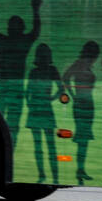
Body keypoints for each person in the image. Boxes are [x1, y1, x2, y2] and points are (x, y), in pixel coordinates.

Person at [0, 0, 41, 149]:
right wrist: (35, 9)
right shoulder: (23, 42)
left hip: (3, 86)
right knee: (12, 122)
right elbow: (36, 31)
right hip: (14, 87)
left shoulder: (3, 41)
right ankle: (8, 150)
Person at [25, 43, 66, 184]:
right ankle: (49, 176)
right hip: (41, 109)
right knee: (47, 145)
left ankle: (46, 175)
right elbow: (60, 88)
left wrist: (32, 102)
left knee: (44, 145)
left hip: (39, 108)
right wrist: (51, 98)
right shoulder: (48, 71)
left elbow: (28, 92)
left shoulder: (39, 71)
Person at [63, 41, 100, 182]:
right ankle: (79, 170)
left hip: (89, 104)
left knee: (84, 140)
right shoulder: (79, 63)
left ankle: (81, 169)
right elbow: (66, 77)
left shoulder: (88, 64)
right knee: (82, 139)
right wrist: (73, 95)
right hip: (81, 104)